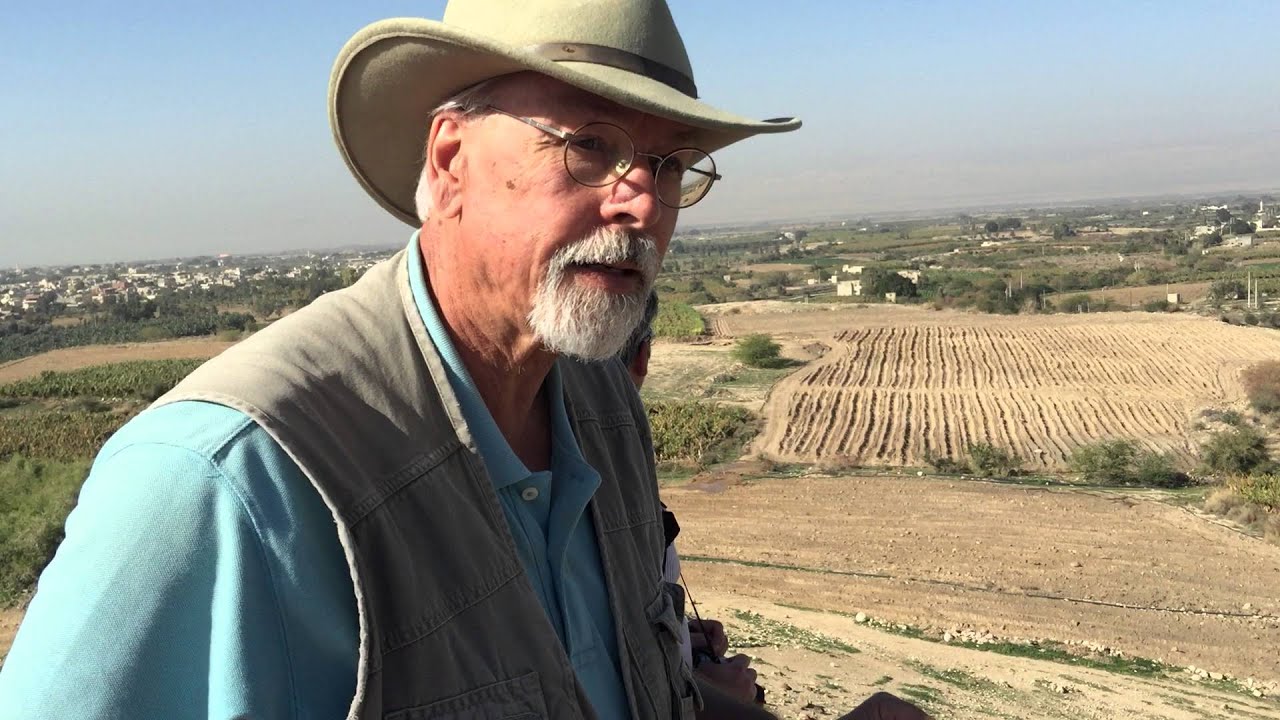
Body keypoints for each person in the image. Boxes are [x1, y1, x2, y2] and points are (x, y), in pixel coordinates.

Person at [0, 1, 808, 718]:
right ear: (451, 159)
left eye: (669, 164)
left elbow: (616, 680)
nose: (641, 200)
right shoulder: (228, 478)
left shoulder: (602, 400)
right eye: (592, 145)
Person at [615, 298, 927, 720]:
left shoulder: (580, 486)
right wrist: (706, 694)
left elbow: (609, 637)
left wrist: (679, 639)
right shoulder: (610, 499)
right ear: (643, 357)